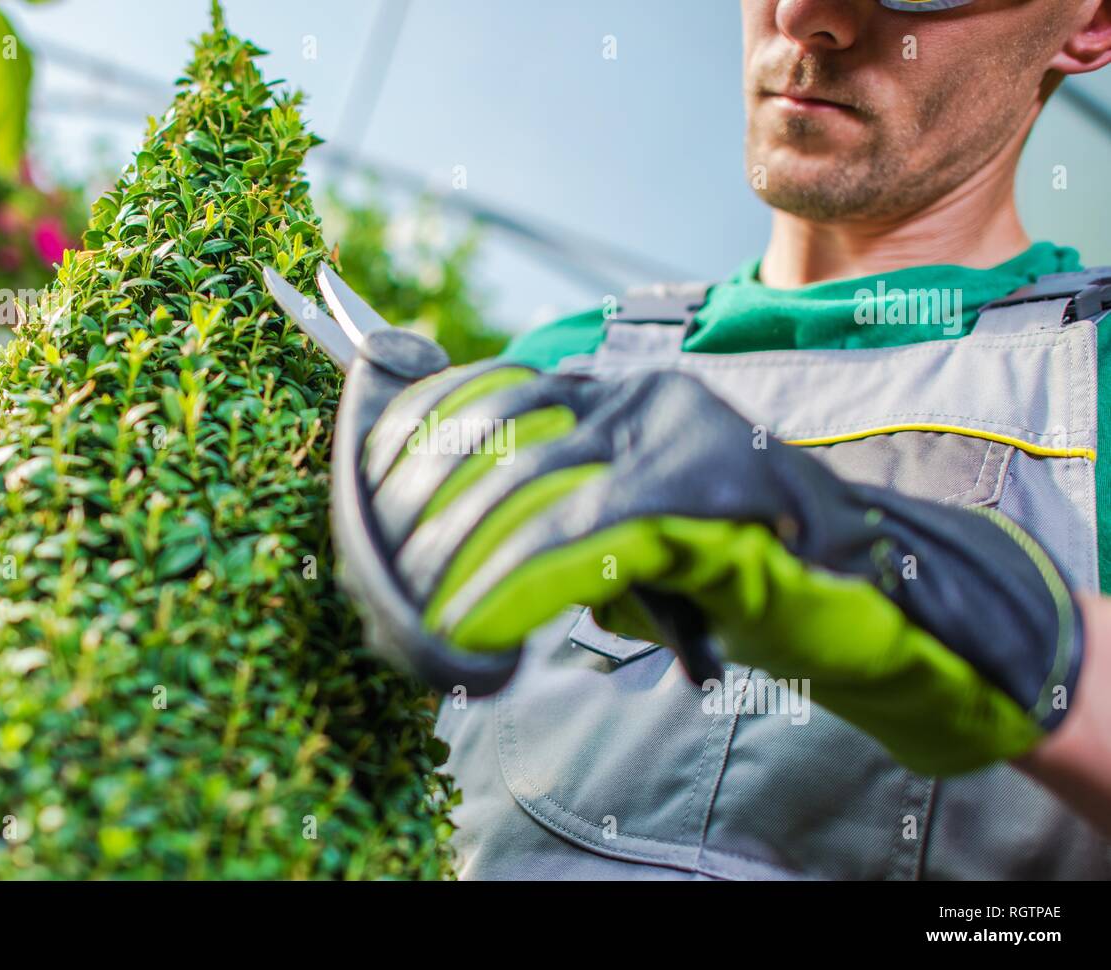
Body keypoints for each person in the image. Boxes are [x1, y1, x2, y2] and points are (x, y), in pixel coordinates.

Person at [335, 0, 1111, 879]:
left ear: (1088, 24)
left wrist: (935, 597)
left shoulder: (1094, 377)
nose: (801, 13)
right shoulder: (562, 367)